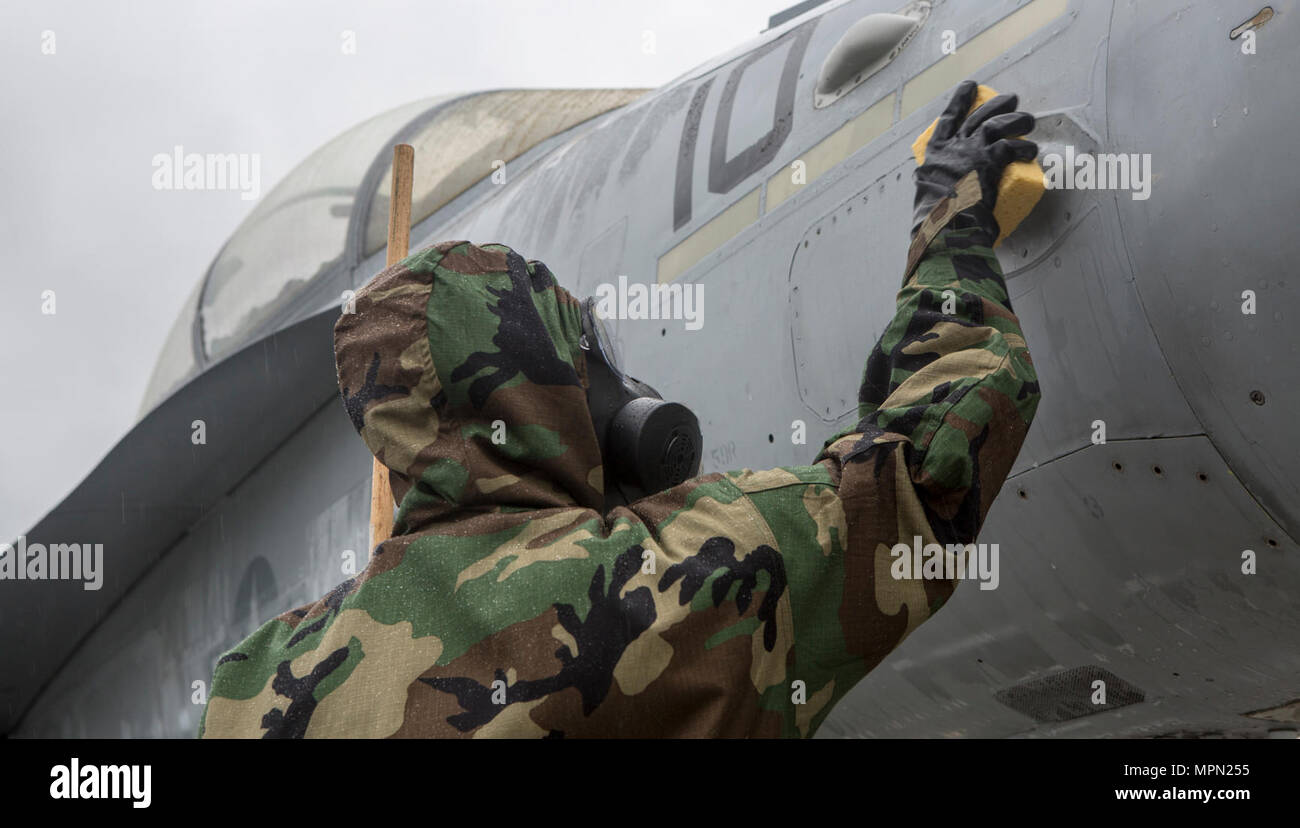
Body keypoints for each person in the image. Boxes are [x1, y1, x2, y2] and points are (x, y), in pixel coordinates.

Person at [199, 79, 1041, 738]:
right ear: (553, 389)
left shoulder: (252, 688)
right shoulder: (683, 578)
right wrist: (951, 220)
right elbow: (925, 470)